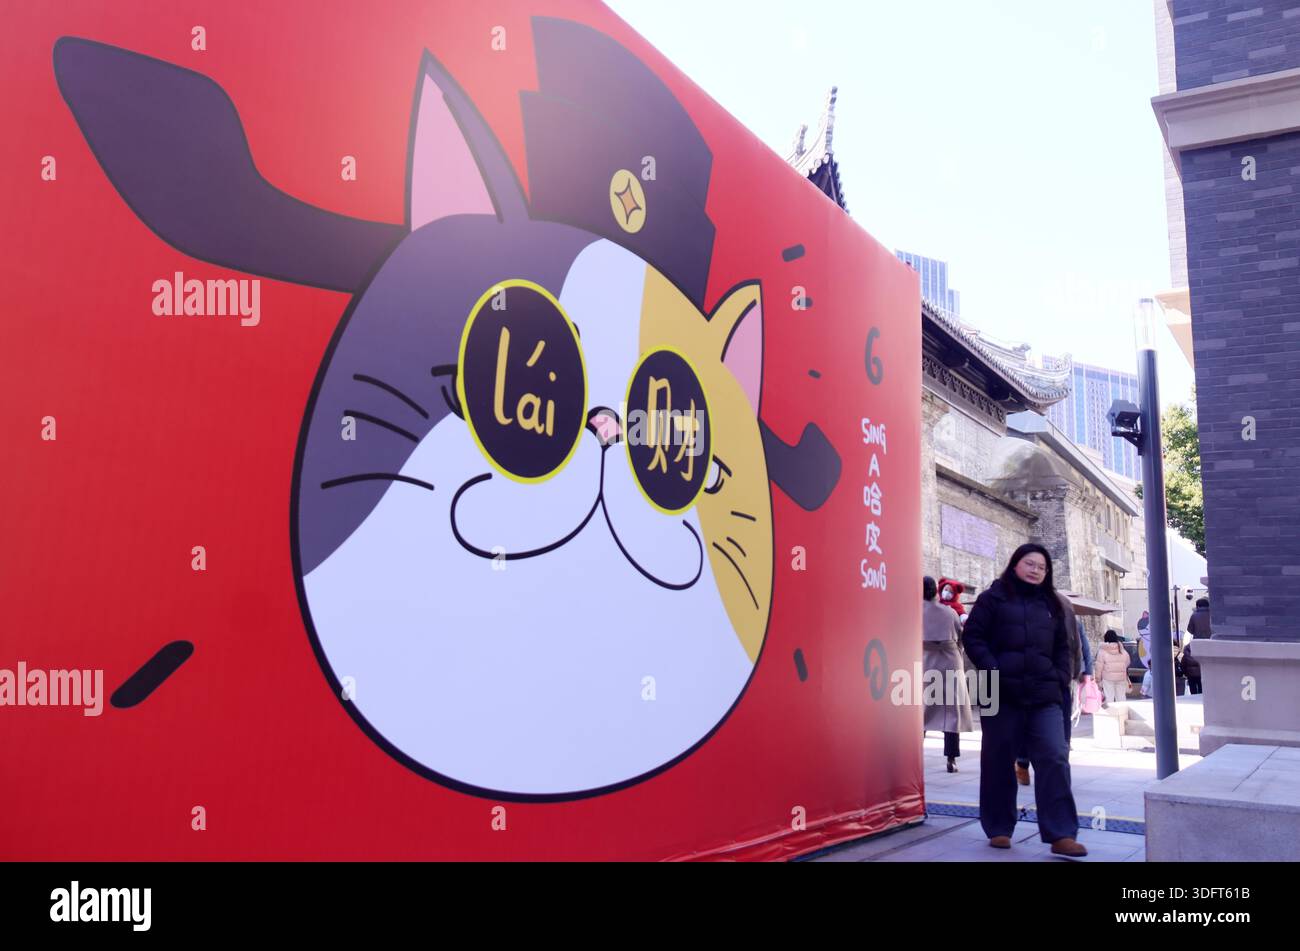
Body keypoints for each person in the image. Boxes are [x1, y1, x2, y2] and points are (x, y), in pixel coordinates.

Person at [963, 543, 1087, 857]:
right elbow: (973, 637)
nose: (1035, 570)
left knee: (1055, 756)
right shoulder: (992, 598)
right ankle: (999, 827)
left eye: (1042, 567)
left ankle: (1061, 834)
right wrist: (993, 667)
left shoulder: (1053, 604)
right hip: (999, 691)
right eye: (1030, 564)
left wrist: (1060, 675)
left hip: (1044, 694)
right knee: (997, 759)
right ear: (1015, 564)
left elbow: (1064, 646)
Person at [1015, 604, 1089, 783]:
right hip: (1058, 678)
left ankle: (1024, 764)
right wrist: (1078, 672)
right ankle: (1059, 764)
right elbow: (1079, 647)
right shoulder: (1067, 609)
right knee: (1060, 724)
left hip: (1035, 677)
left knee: (1028, 721)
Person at [922, 576, 974, 772]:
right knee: (951, 712)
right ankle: (951, 759)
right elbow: (961, 636)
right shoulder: (950, 612)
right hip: (950, 662)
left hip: (925, 661)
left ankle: (914, 754)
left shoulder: (914, 612)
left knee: (921, 710)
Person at [1095, 630, 1130, 704]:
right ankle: (1122, 711)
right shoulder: (1122, 650)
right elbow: (1127, 662)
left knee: (1108, 698)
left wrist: (1098, 679)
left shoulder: (1102, 650)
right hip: (1121, 678)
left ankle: (1110, 711)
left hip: (1108, 678)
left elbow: (1099, 667)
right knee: (1121, 698)